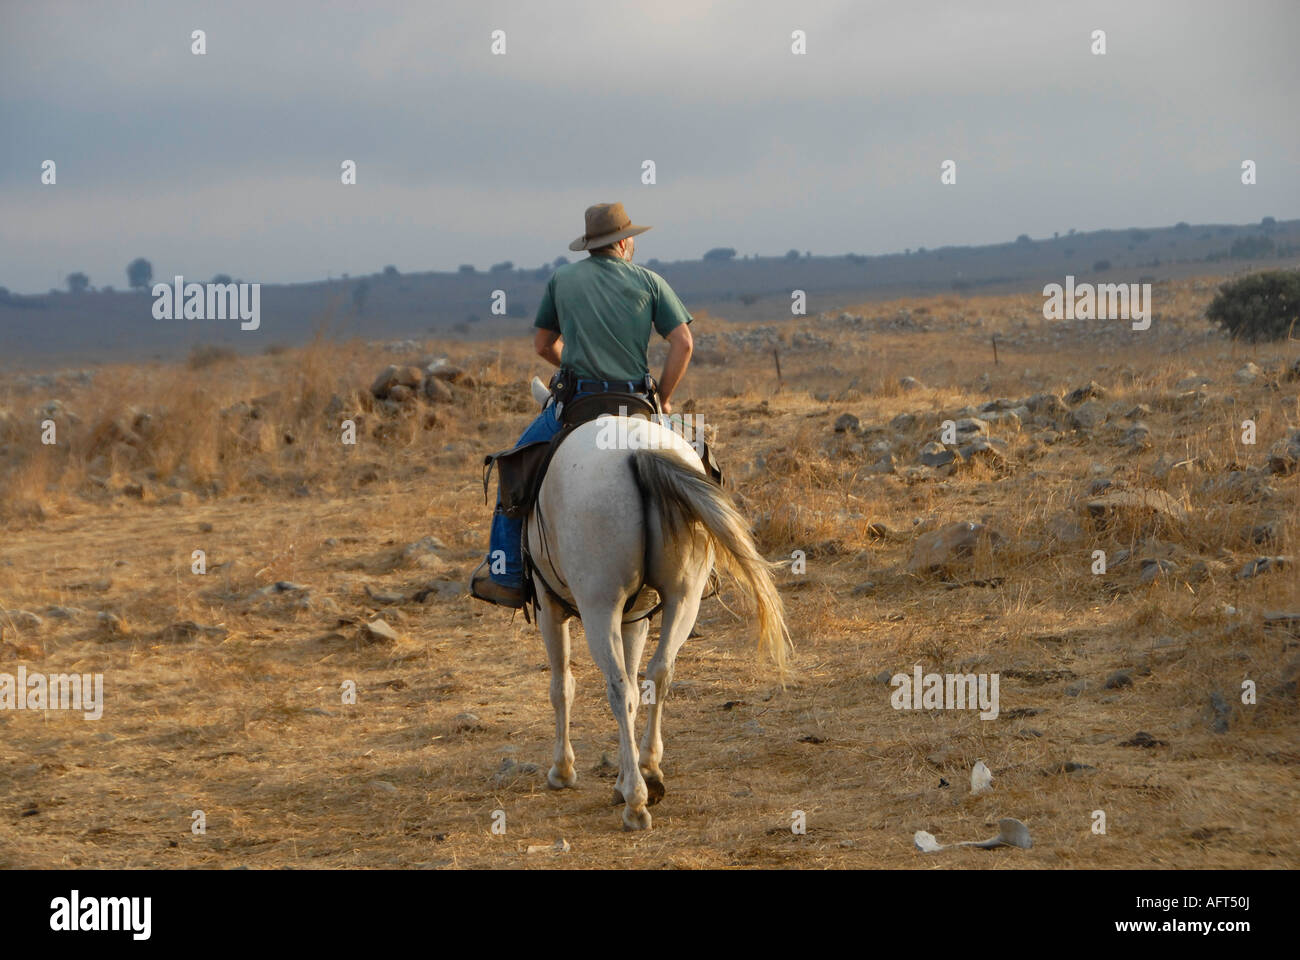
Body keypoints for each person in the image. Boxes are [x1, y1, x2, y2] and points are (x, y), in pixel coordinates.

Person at [470, 202, 695, 608]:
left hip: (578, 404)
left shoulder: (562, 280)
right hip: (637, 405)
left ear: (591, 245)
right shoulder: (649, 281)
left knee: (514, 470)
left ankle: (506, 573)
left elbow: (542, 345)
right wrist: (663, 397)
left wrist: (573, 363)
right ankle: (700, 573)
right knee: (701, 465)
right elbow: (683, 342)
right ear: (625, 242)